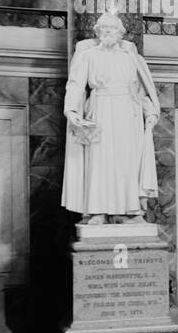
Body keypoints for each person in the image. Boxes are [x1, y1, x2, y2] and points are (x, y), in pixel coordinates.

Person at [62, 13, 159, 224]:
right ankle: (98, 211)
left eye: (112, 29)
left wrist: (150, 112)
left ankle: (130, 211)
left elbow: (140, 91)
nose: (108, 32)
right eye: (103, 28)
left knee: (127, 161)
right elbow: (76, 84)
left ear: (120, 33)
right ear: (97, 32)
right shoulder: (88, 56)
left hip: (128, 113)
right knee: (100, 160)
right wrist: (71, 110)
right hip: (101, 108)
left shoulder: (131, 58)